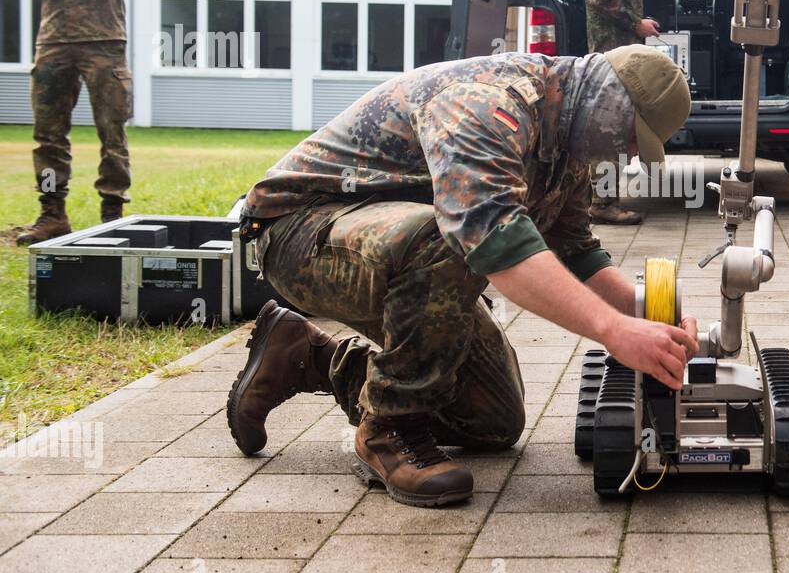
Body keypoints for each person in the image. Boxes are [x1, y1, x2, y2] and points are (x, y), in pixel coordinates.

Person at [227, 45, 696, 508]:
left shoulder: (566, 143)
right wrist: (613, 331)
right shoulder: (487, 104)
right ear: (607, 103)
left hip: (393, 242)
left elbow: (575, 252)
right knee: (449, 237)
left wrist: (651, 315)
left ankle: (305, 356)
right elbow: (494, 242)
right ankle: (389, 431)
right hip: (299, 230)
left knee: (493, 421)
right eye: (633, 137)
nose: (630, 154)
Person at [17, 0, 136, 245]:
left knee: (111, 131)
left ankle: (112, 215)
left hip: (104, 40)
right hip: (54, 42)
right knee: (48, 136)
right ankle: (52, 213)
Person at [584, 0, 660, 226]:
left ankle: (598, 198)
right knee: (608, 128)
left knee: (612, 126)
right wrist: (636, 24)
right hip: (610, 53)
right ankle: (602, 203)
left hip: (617, 50)